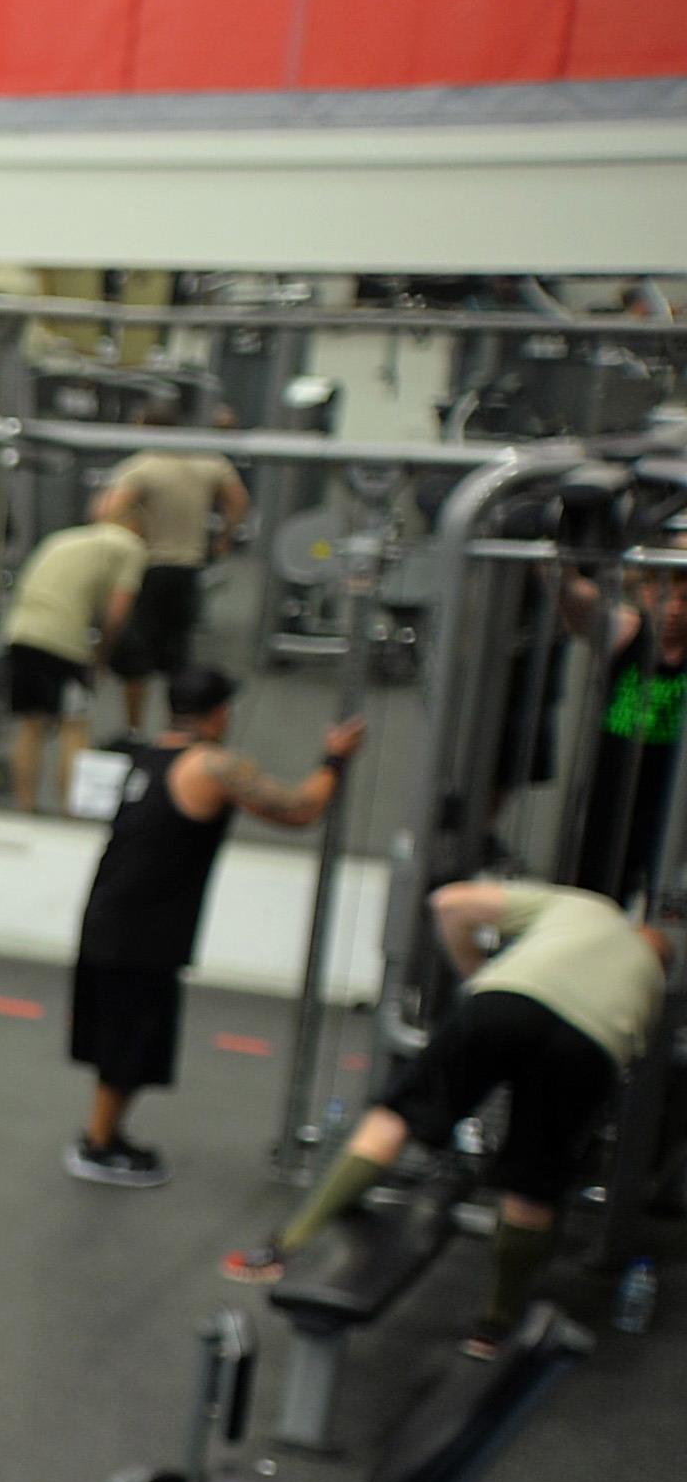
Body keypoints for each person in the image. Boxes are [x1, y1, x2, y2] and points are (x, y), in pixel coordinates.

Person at [231, 879, 671, 1346]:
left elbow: (449, 902)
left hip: (507, 1001)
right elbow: (632, 1062)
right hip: (589, 1044)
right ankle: (495, 1327)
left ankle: (284, 1246)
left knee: (396, 1118)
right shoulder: (654, 985)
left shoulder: (588, 907)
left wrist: (474, 972)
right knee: (532, 1184)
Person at [63, 669, 358, 1186]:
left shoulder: (150, 754)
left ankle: (105, 1136)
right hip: (138, 932)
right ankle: (97, 1145)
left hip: (116, 921)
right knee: (127, 1046)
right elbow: (302, 808)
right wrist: (335, 757)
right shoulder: (212, 765)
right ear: (219, 714)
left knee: (129, 1042)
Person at [92, 402, 250, 731]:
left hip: (148, 569)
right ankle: (175, 735)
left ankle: (134, 730)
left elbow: (107, 510)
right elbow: (238, 500)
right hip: (188, 570)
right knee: (177, 660)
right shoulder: (207, 459)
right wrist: (225, 536)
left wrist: (130, 535)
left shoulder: (142, 465)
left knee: (136, 660)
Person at [0, 514, 148, 816]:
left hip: (21, 632)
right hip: (64, 642)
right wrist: (102, 654)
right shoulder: (133, 548)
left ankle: (23, 807)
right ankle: (71, 811)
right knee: (74, 725)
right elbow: (118, 611)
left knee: (30, 723)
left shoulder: (62, 537)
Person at [562, 559, 685, 908]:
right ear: (646, 594)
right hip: (614, 791)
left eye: (685, 599)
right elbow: (572, 595)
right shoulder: (628, 632)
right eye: (665, 597)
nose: (674, 609)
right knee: (595, 893)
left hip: (673, 797)